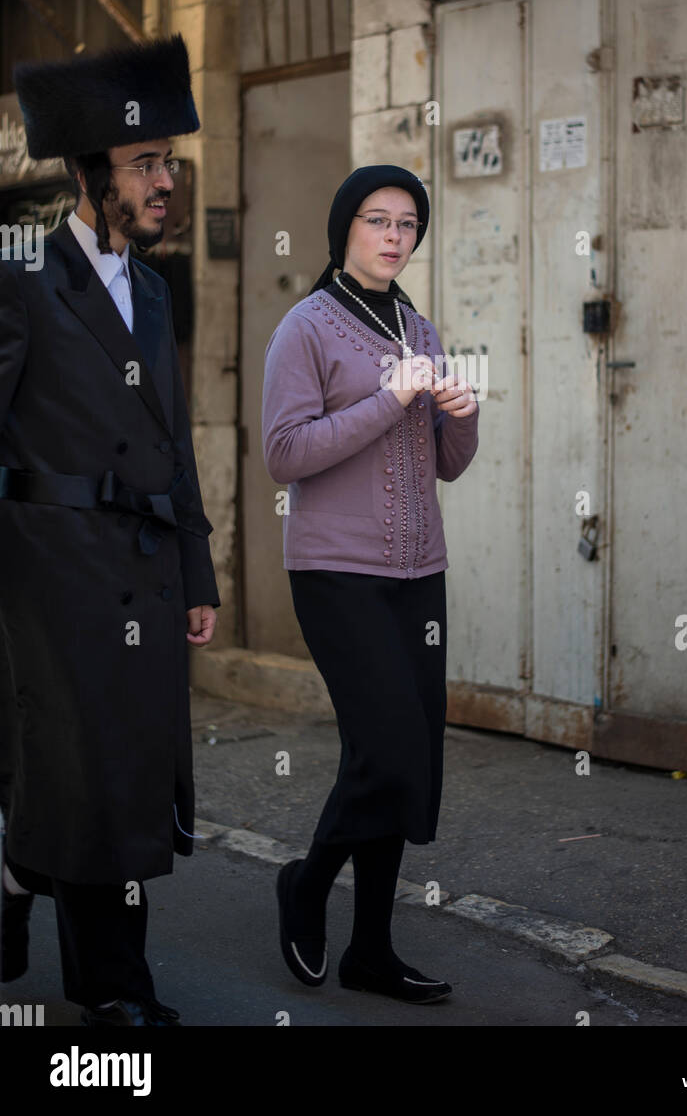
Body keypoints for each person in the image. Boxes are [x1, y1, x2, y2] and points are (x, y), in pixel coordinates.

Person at [0, 34, 219, 1026]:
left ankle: (68, 939)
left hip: (146, 569)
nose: (164, 181)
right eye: (145, 165)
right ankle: (112, 987)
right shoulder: (22, 281)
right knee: (79, 775)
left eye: (168, 162)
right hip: (55, 577)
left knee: (126, 781)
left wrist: (202, 568)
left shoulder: (159, 289)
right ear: (92, 177)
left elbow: (173, 445)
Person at [262, 165, 480, 1005]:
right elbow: (285, 454)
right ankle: (306, 885)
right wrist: (389, 403)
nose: (393, 236)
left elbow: (446, 466)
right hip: (335, 572)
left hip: (419, 574)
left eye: (407, 224)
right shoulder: (306, 327)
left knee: (404, 759)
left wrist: (461, 416)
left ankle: (372, 951)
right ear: (343, 229)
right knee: (386, 749)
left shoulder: (420, 329)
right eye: (375, 219)